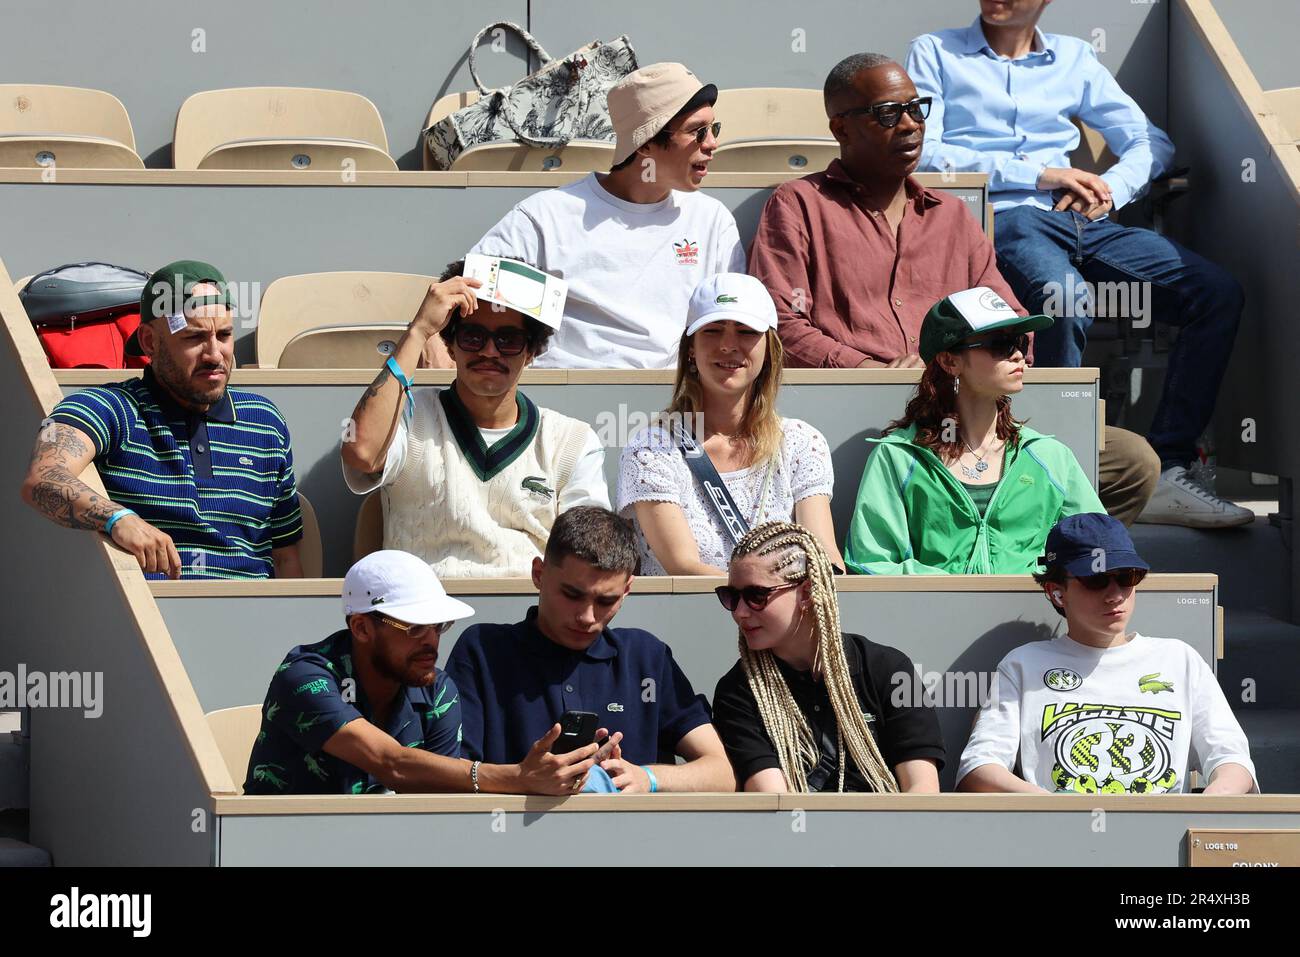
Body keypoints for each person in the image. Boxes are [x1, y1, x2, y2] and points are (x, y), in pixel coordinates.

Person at [748, 51, 1158, 526]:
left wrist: (953, 366)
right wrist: (867, 370)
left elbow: (1013, 325)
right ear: (840, 128)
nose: (909, 125)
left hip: (969, 410)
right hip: (855, 422)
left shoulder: (952, 216)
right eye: (887, 114)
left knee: (1131, 462)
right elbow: (779, 325)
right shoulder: (800, 204)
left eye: (916, 109)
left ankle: (1029, 568)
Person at [906, 2, 1252, 528]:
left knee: (1216, 293)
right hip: (1003, 214)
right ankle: (1048, 470)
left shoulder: (1073, 56)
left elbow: (1149, 142)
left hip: (1084, 219)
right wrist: (1041, 172)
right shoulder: (935, 51)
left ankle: (1167, 468)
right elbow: (923, 152)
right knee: (1061, 297)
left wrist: (1111, 189)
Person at [244, 549, 620, 795]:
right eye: (413, 628)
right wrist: (519, 778)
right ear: (361, 628)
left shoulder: (439, 690)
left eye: (438, 626)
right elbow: (392, 763)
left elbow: (438, 801)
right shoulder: (304, 676)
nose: (431, 642)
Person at [22, 259, 303, 580]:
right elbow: (42, 479)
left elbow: (285, 558)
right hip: (149, 618)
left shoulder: (265, 421)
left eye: (224, 335)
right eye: (194, 338)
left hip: (254, 617)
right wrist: (119, 519)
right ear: (150, 342)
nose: (214, 355)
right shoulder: (109, 407)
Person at [340, 259, 609, 577]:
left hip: (527, 616)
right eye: (472, 336)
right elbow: (361, 452)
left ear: (532, 351)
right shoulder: (409, 415)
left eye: (509, 340)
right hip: (420, 621)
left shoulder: (574, 441)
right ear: (450, 345)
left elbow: (592, 558)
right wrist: (419, 331)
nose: (490, 352)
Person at [957, 513, 1258, 794]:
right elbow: (979, 766)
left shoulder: (1180, 659)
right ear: (1056, 592)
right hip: (1056, 841)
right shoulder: (1023, 664)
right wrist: (1053, 811)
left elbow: (1232, 760)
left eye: (1127, 576)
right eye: (1095, 580)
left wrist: (1199, 810)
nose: (1115, 595)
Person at [470, 62, 745, 369]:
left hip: (675, 405)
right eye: (697, 132)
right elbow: (465, 293)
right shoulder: (547, 216)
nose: (712, 143)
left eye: (713, 129)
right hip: (562, 400)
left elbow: (736, 326)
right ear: (646, 144)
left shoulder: (713, 221)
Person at [446, 506, 734, 793]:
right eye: (572, 595)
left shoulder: (647, 657)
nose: (586, 616)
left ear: (627, 590)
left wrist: (646, 778)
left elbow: (723, 773)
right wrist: (520, 778)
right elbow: (446, 772)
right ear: (538, 574)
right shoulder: (482, 650)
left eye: (606, 601)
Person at [844, 288, 1105, 574]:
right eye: (1000, 344)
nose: (1019, 355)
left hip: (1027, 616)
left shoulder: (1050, 456)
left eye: (1019, 342)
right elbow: (873, 562)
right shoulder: (898, 458)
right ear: (950, 361)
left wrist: (1039, 582)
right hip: (931, 616)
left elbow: (1096, 549)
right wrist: (963, 597)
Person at [617, 273, 842, 575]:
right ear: (691, 348)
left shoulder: (802, 442)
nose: (727, 344)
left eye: (746, 331)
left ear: (769, 347)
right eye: (712, 330)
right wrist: (764, 596)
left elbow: (825, 556)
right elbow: (684, 568)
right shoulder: (651, 448)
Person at [711, 521, 945, 792]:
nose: (739, 612)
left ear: (808, 593)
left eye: (756, 595)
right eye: (731, 596)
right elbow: (771, 802)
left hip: (890, 832)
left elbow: (922, 792)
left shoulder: (888, 670)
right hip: (791, 833)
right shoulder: (738, 691)